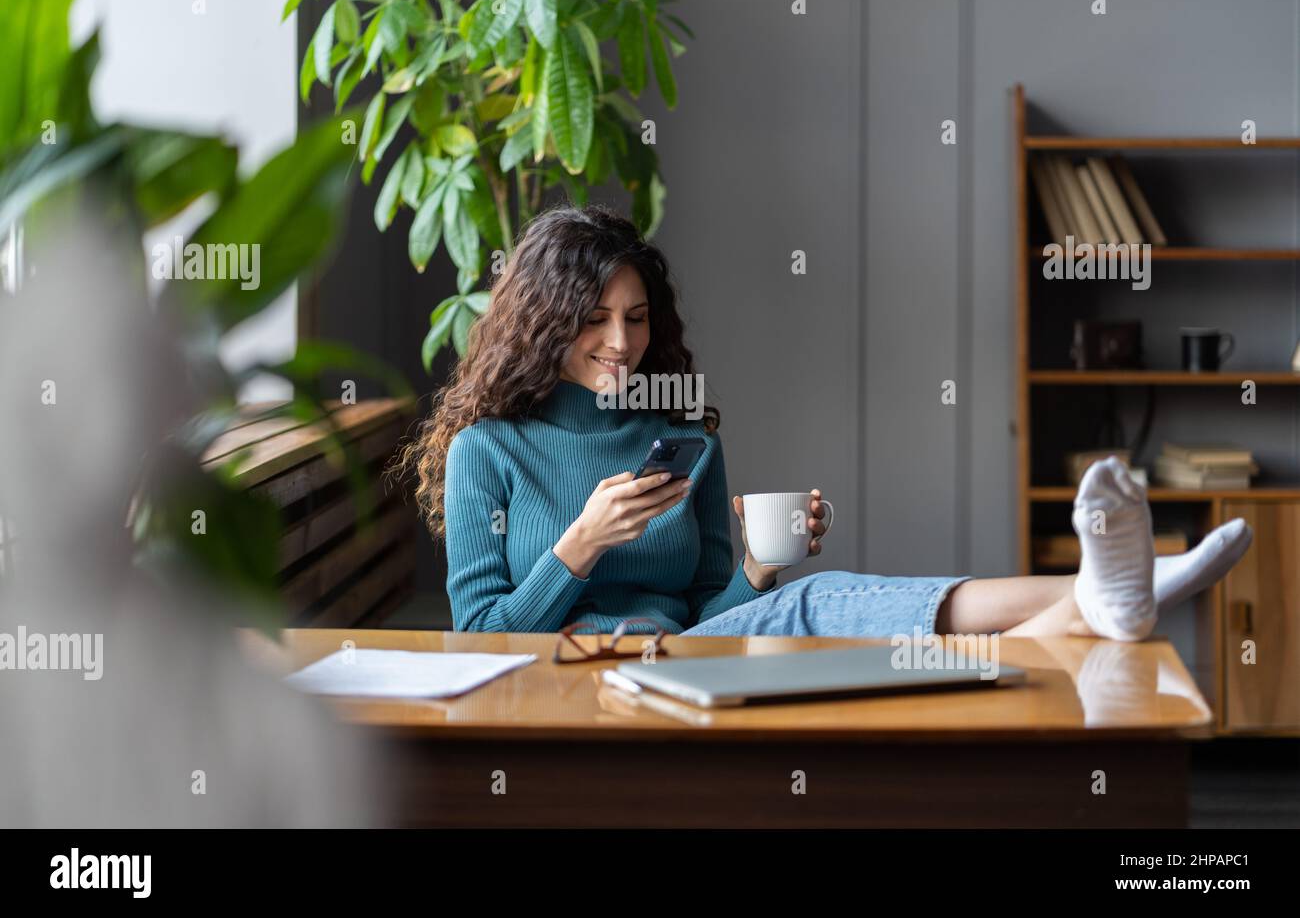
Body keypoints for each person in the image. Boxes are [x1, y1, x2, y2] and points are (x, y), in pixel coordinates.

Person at [390, 204, 1252, 641]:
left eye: (638, 316)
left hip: (683, 658)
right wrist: (579, 544)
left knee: (811, 600)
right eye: (594, 317)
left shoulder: (686, 438)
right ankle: (1097, 598)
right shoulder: (487, 450)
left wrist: (760, 567)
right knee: (822, 608)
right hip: (567, 681)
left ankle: (1096, 598)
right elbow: (479, 640)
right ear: (544, 320)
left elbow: (706, 611)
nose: (622, 342)